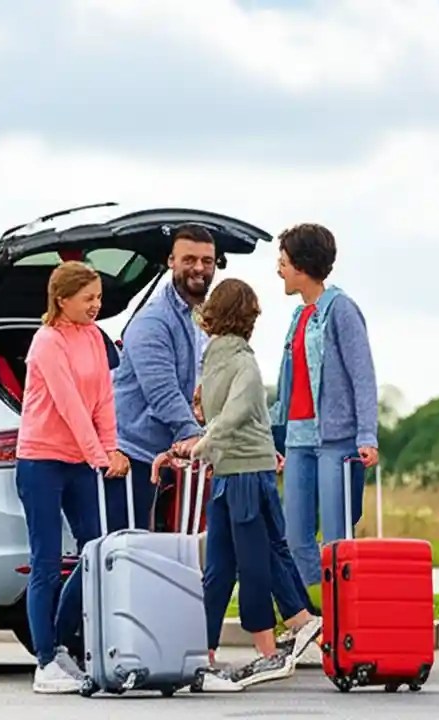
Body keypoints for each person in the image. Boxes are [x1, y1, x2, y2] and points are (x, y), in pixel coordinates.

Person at [154, 279, 322, 691]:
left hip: (237, 472)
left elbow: (233, 415)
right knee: (236, 567)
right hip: (239, 474)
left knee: (235, 567)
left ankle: (241, 653)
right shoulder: (231, 359)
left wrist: (203, 446)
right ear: (247, 319)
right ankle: (237, 653)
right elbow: (229, 414)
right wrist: (199, 446)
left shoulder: (222, 360)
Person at [15, 260, 129, 694]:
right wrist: (99, 455)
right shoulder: (46, 342)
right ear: (62, 300)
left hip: (81, 461)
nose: (96, 306)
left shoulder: (95, 339)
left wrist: (111, 447)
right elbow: (68, 405)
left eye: (98, 299)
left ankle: (61, 642)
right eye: (88, 299)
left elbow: (102, 400)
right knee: (45, 562)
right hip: (41, 461)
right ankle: (45, 662)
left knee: (95, 551)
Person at [268, 223, 379, 591]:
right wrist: (272, 435)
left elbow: (362, 376)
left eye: (283, 262)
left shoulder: (341, 310)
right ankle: (314, 618)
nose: (278, 269)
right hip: (298, 439)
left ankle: (342, 620)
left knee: (336, 540)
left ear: (301, 265)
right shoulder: (298, 317)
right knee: (296, 537)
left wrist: (367, 435)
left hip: (336, 439)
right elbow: (289, 387)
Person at [110, 224, 215, 532]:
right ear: (171, 261)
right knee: (125, 553)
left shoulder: (206, 319)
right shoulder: (153, 321)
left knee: (171, 562)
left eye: (207, 261)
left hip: (176, 456)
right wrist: (193, 435)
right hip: (135, 457)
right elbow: (163, 391)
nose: (199, 268)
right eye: (189, 259)